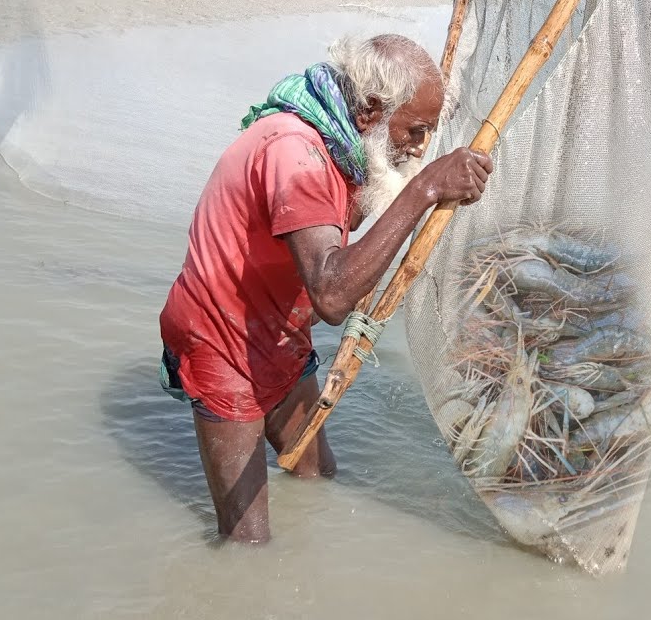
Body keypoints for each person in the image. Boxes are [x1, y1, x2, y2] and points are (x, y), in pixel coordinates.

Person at [157, 34, 493, 543]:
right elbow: (332, 296)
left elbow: (349, 223)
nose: (419, 146)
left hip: (277, 329)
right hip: (220, 339)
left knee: (317, 477)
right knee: (247, 542)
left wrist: (415, 179)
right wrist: (426, 188)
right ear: (370, 112)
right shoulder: (297, 154)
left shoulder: (334, 142)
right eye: (415, 130)